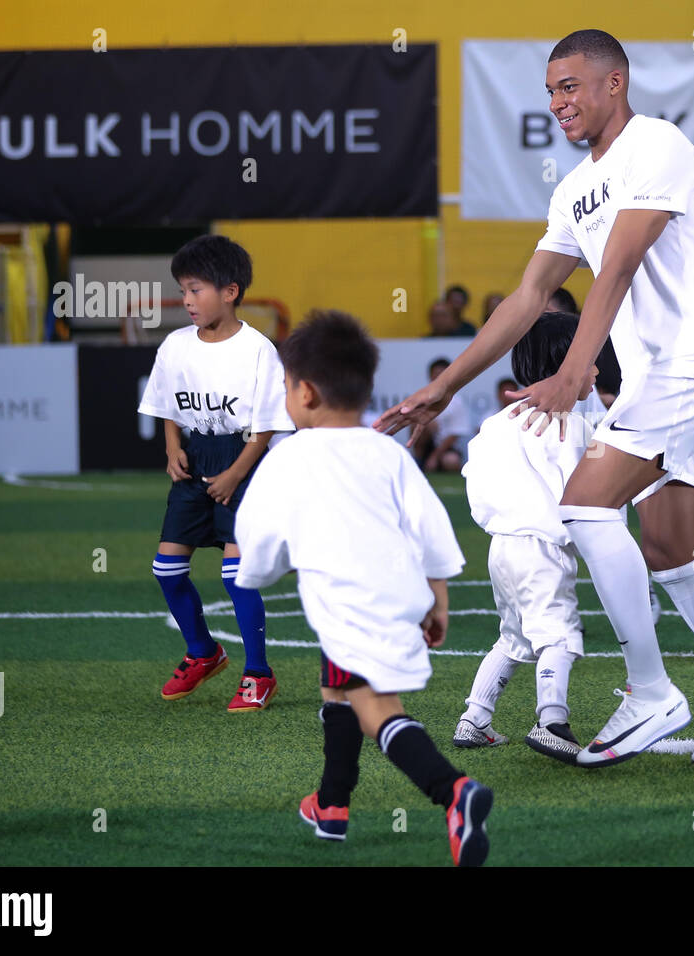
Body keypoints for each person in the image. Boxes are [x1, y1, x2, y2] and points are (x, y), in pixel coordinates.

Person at [377, 28, 694, 767]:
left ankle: (650, 690)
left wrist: (577, 372)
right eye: (549, 91)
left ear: (616, 82)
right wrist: (443, 388)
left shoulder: (658, 146)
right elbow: (529, 295)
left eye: (570, 86)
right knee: (673, 551)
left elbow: (616, 268)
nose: (557, 103)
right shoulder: (574, 189)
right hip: (662, 379)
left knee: (582, 504)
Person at [233, 310, 493, 866]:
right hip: (394, 594)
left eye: (284, 386)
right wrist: (438, 601)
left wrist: (257, 571)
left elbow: (256, 540)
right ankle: (331, 804)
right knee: (338, 690)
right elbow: (431, 530)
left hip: (348, 601)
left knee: (375, 706)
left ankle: (453, 792)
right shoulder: (387, 451)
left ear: (303, 392)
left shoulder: (289, 456)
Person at [137, 234, 294, 712]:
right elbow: (165, 403)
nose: (186, 300)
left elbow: (267, 424)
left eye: (196, 289)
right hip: (196, 456)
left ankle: (258, 674)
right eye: (183, 290)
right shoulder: (175, 345)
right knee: (166, 570)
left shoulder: (258, 349)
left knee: (236, 575)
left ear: (230, 291)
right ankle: (204, 652)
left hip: (244, 460)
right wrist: (171, 447)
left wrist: (234, 474)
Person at [454, 313, 602, 762]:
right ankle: (552, 720)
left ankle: (475, 718)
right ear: (567, 363)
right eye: (590, 361)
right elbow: (592, 492)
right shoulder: (574, 426)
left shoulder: (496, 423)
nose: (595, 371)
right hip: (543, 548)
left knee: (513, 638)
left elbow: (472, 477)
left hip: (501, 547)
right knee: (558, 634)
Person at [423, 358, 472, 472]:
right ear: (430, 376)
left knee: (451, 461)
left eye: (442, 375)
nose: (438, 378)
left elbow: (455, 434)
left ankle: (434, 462)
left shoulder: (457, 402)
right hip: (426, 444)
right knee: (418, 423)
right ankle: (419, 460)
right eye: (435, 375)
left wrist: (434, 456)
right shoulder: (422, 399)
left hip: (447, 448)